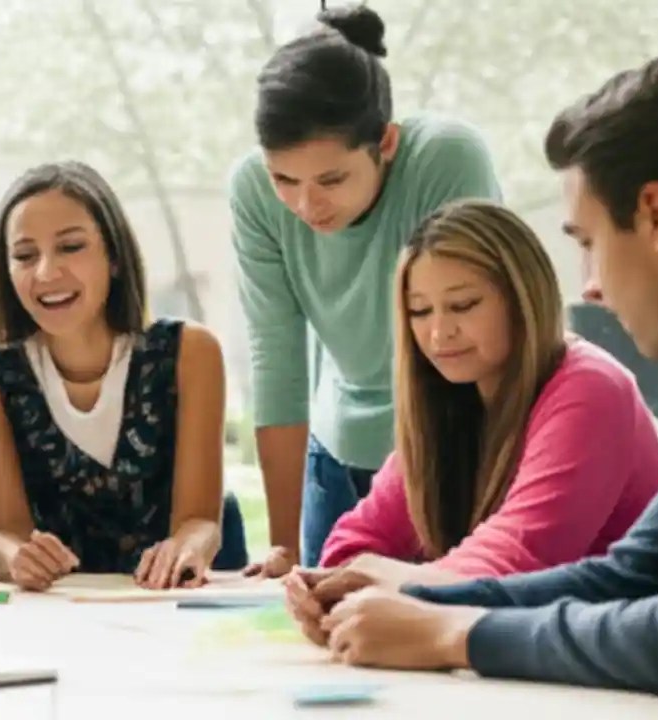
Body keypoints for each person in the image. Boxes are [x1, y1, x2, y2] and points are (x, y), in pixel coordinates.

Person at [310, 54, 658, 718]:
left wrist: (457, 633)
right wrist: (416, 606)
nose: (589, 283)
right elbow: (632, 577)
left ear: (656, 215)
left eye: (589, 241)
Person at [284, 199, 658, 641]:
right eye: (420, 311)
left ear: (522, 297)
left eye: (463, 305)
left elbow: (514, 562)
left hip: (608, 669)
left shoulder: (592, 388)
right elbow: (355, 544)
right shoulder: (451, 398)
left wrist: (381, 585)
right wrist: (326, 594)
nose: (438, 333)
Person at [232, 4, 502, 575]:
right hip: (334, 458)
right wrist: (283, 546)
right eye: (285, 179)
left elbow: (480, 341)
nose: (307, 205)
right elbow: (275, 357)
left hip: (449, 449)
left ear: (386, 143)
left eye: (331, 179)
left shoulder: (448, 160)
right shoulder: (253, 193)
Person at [0, 161, 239, 591]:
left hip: (173, 602)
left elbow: (200, 521)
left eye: (71, 247)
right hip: (63, 613)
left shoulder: (191, 353)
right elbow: (3, 536)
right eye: (24, 255)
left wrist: (188, 546)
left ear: (113, 257)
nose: (46, 273)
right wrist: (18, 558)